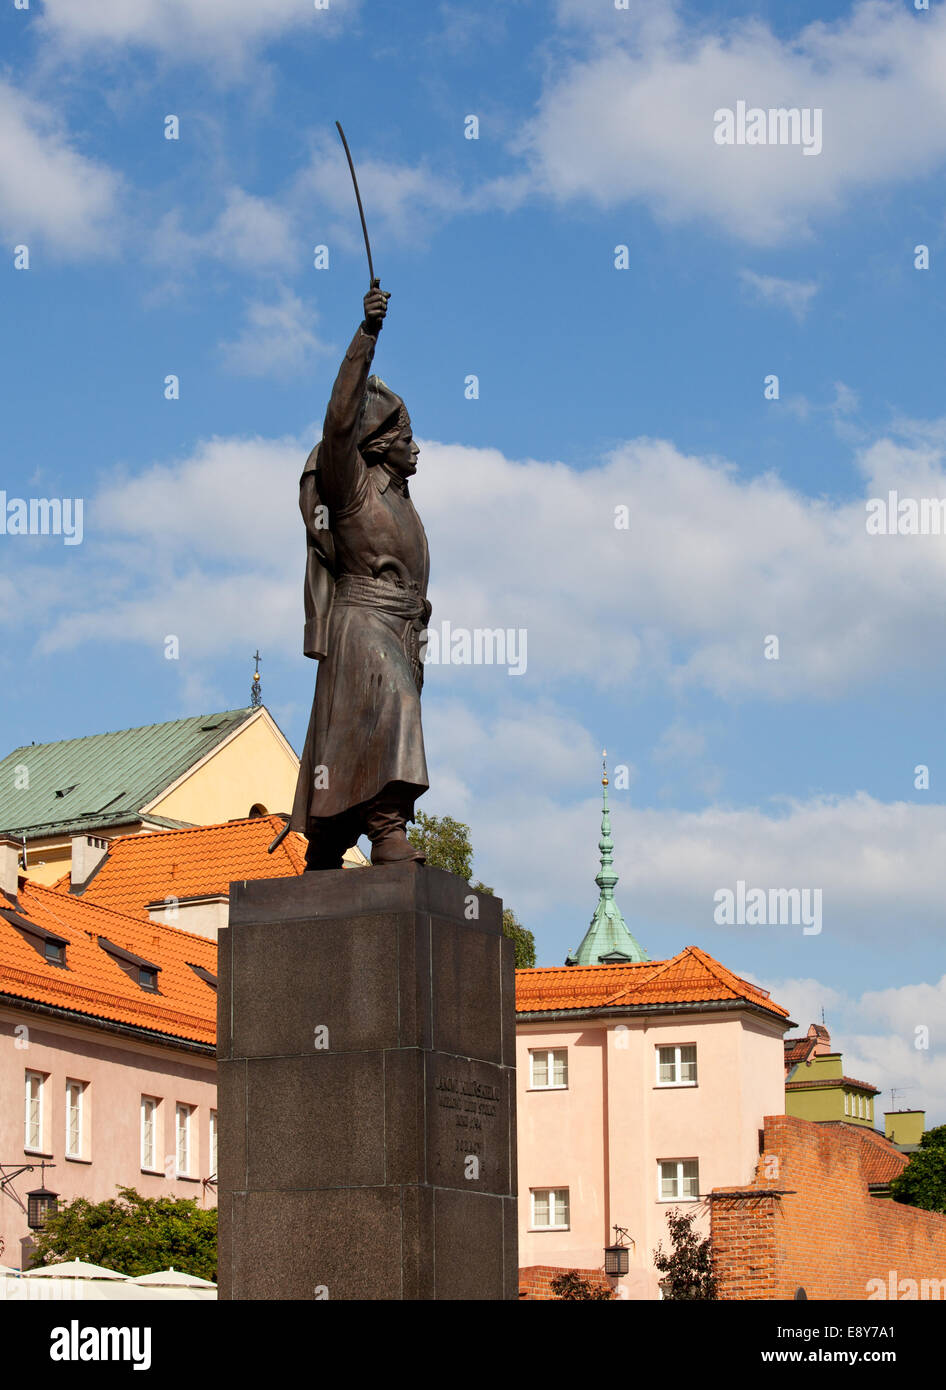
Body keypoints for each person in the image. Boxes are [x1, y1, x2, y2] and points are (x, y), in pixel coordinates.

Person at [289, 284, 430, 870]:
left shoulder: (403, 502)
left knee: (355, 735)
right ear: (379, 445)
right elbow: (339, 420)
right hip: (361, 620)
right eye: (405, 439)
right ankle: (386, 829)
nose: (416, 449)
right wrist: (366, 336)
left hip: (400, 626)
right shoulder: (350, 488)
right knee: (393, 703)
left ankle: (329, 837)